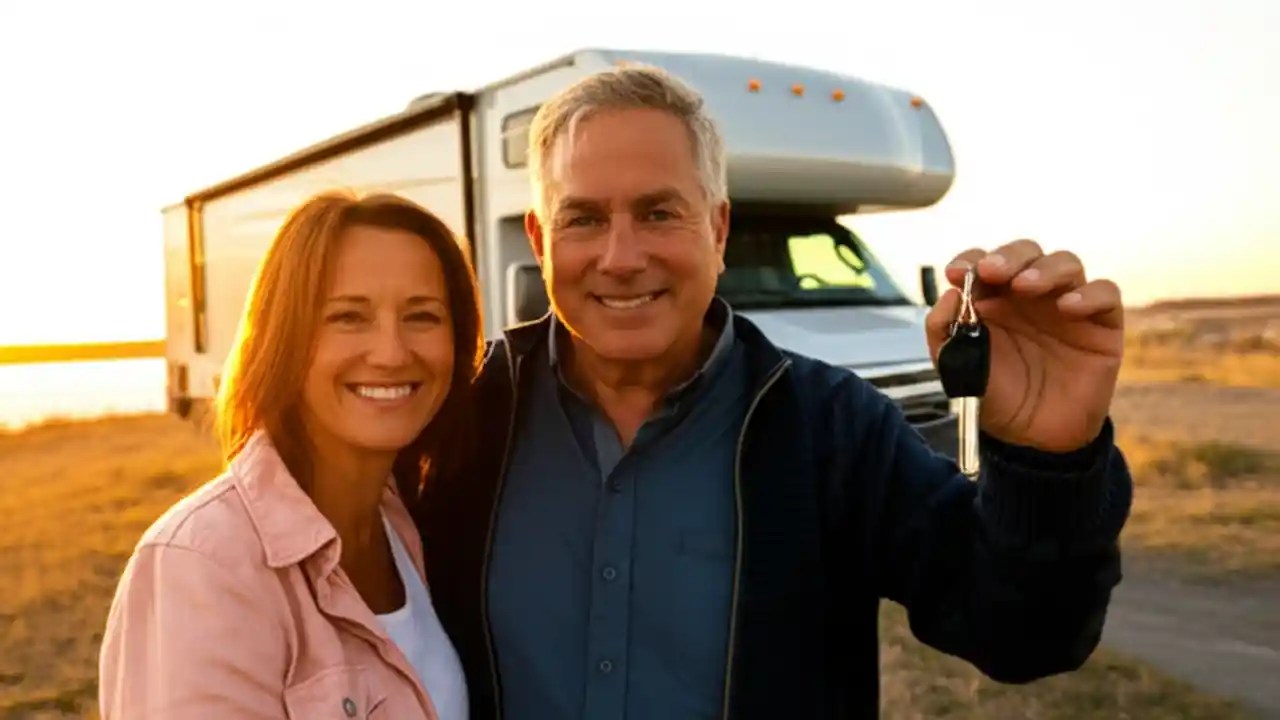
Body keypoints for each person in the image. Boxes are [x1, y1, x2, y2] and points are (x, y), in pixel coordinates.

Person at [413, 64, 1134, 720]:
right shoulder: (460, 415)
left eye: (660, 213)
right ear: (540, 239)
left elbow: (1023, 637)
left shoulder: (832, 427)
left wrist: (1046, 460)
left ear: (718, 229)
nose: (621, 257)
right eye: (584, 218)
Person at [98, 191, 484, 719]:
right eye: (349, 317)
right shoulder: (204, 566)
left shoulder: (408, 528)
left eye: (422, 316)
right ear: (284, 337)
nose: (393, 352)